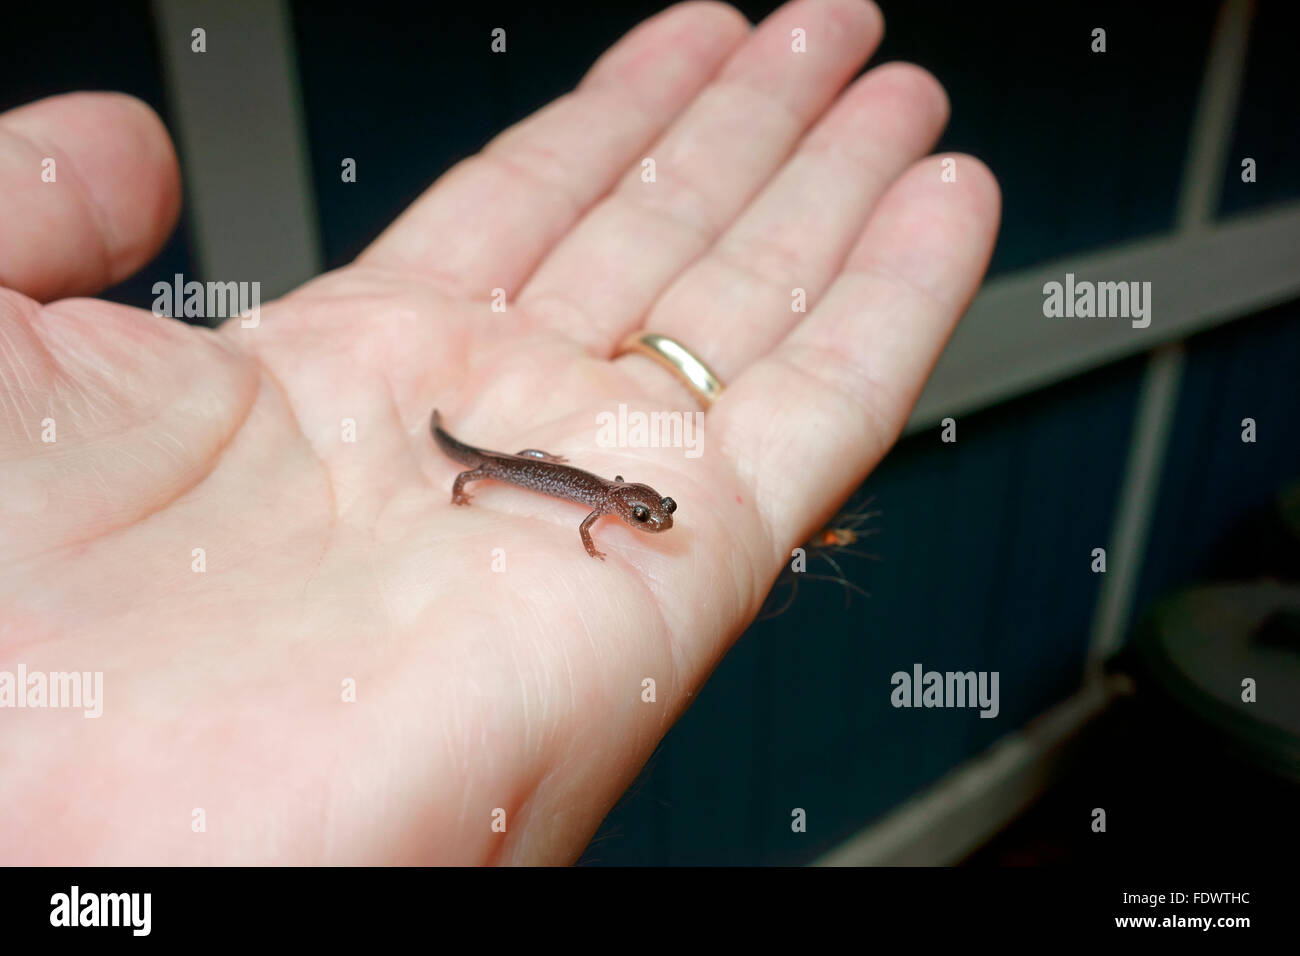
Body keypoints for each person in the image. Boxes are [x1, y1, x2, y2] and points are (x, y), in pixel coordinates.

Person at [0, 0, 998, 863]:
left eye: (650, 512)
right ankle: (458, 461)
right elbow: (573, 519)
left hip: (525, 463)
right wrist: (475, 479)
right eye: (646, 512)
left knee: (489, 461)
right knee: (470, 461)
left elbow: (586, 517)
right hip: (493, 461)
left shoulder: (603, 502)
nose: (644, 516)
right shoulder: (592, 505)